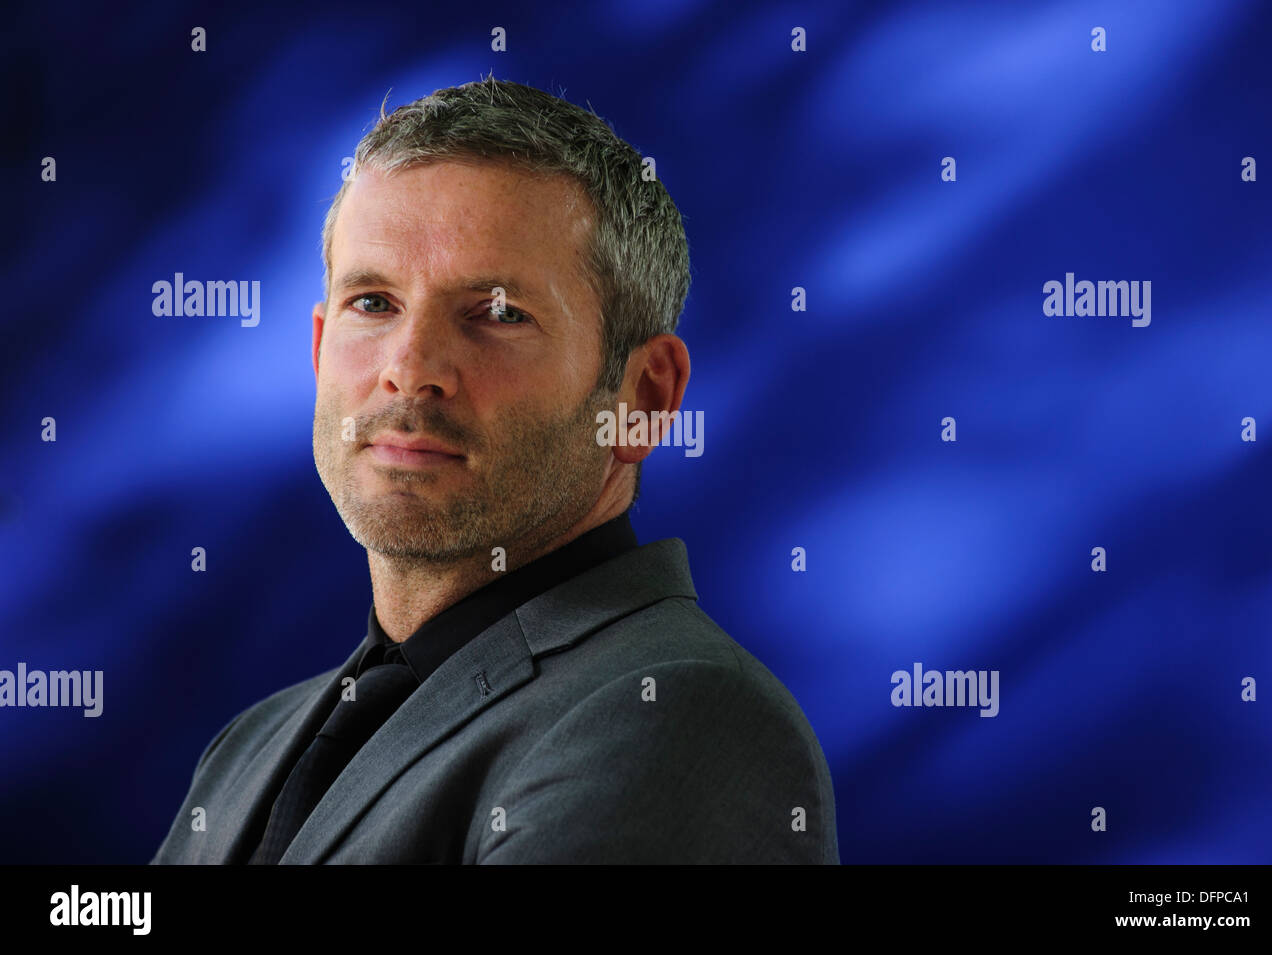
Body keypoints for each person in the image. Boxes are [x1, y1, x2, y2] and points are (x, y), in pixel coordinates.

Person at [151, 76, 838, 864]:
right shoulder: (245, 750)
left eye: (501, 313)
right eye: (372, 303)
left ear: (644, 397)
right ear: (317, 352)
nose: (409, 369)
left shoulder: (683, 713)